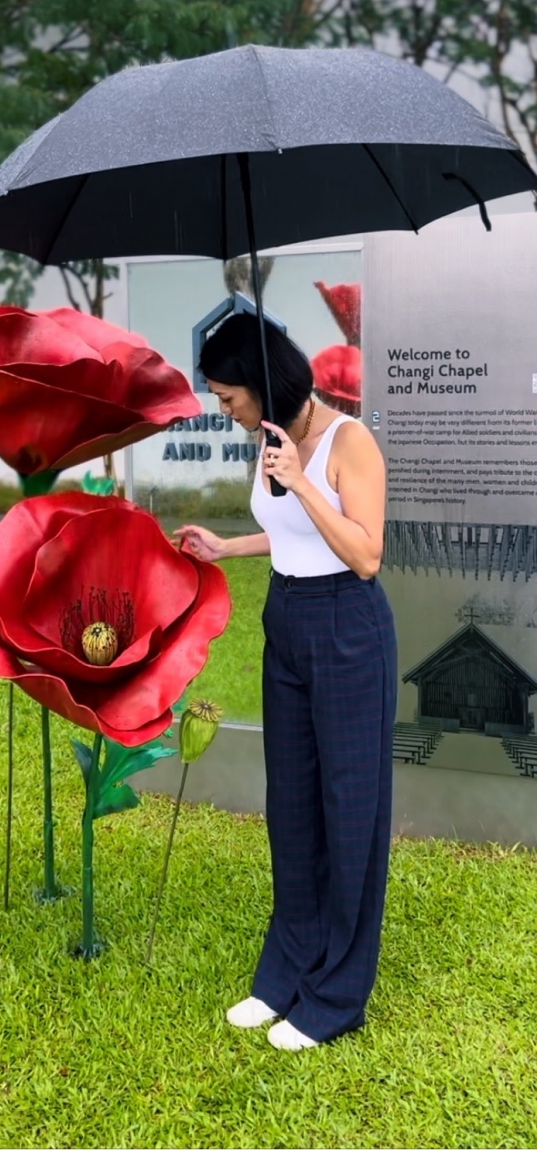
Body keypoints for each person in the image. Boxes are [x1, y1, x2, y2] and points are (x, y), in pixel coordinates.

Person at [176, 313, 397, 1052]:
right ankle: (287, 972)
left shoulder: (349, 442)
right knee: (293, 806)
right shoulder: (270, 439)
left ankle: (337, 995)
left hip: (348, 627)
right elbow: (292, 537)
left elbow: (364, 554)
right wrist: (226, 546)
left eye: (228, 395)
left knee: (349, 807)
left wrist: (302, 480)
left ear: (263, 382)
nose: (223, 409)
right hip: (288, 620)